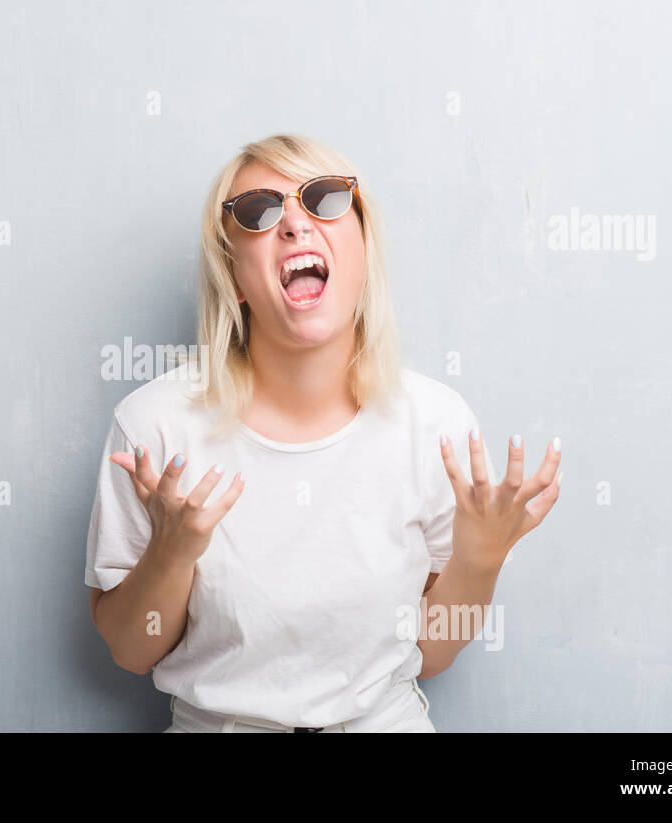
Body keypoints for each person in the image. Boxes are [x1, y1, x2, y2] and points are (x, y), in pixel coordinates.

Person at [84, 133, 563, 732]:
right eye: (258, 211)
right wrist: (170, 554)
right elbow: (132, 651)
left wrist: (481, 557)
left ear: (363, 250)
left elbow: (433, 654)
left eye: (326, 199)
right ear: (231, 273)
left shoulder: (436, 425)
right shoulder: (155, 426)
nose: (295, 225)